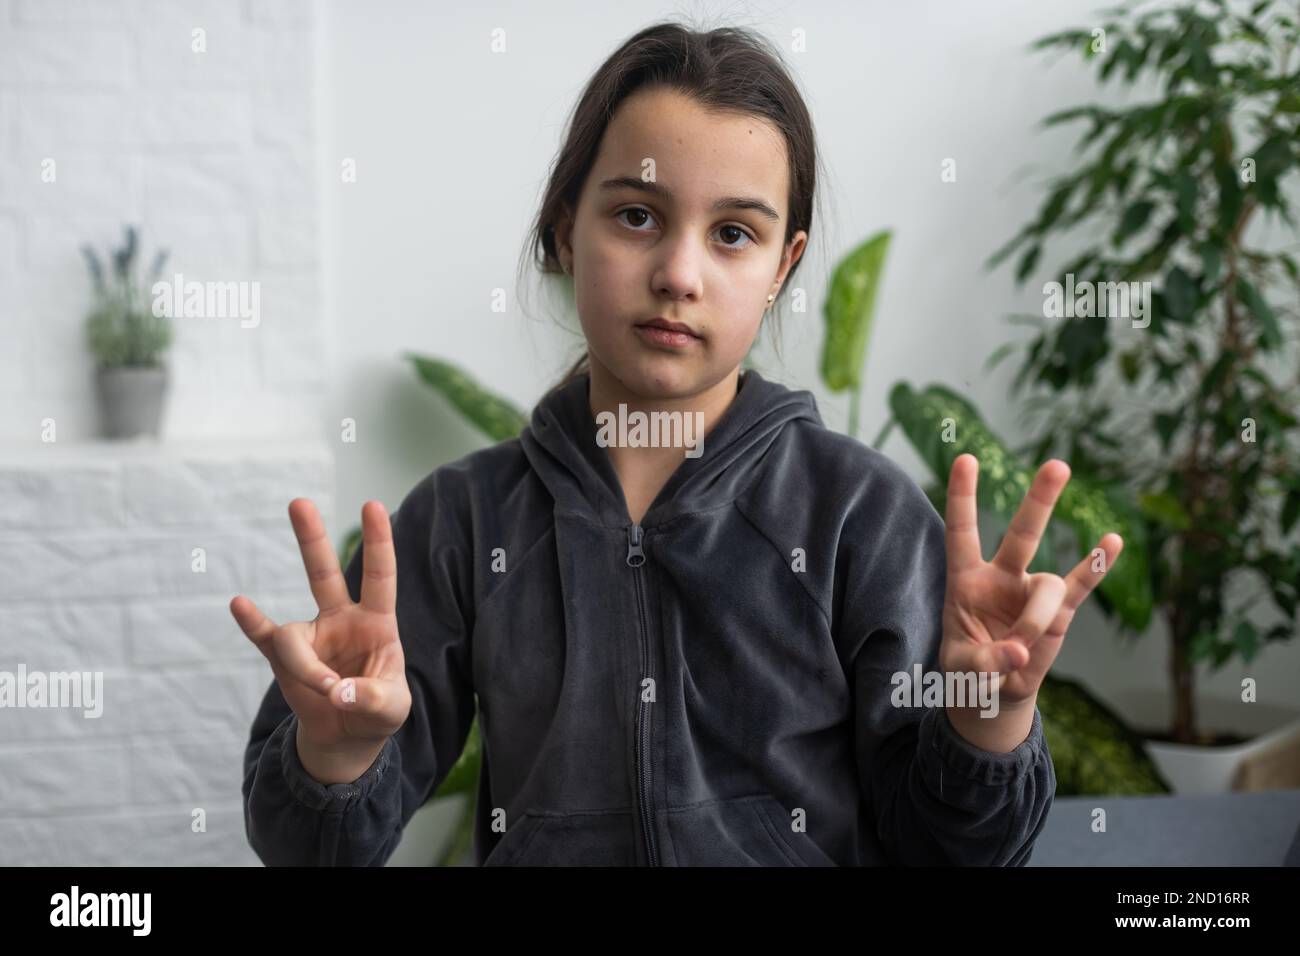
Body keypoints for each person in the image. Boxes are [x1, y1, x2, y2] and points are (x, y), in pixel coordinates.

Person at [233, 21, 1123, 866]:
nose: (679, 274)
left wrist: (988, 723)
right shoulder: (461, 523)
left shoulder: (861, 514)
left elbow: (959, 853)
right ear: (562, 230)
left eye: (733, 234)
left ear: (782, 267)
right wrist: (335, 754)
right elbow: (307, 849)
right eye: (635, 216)